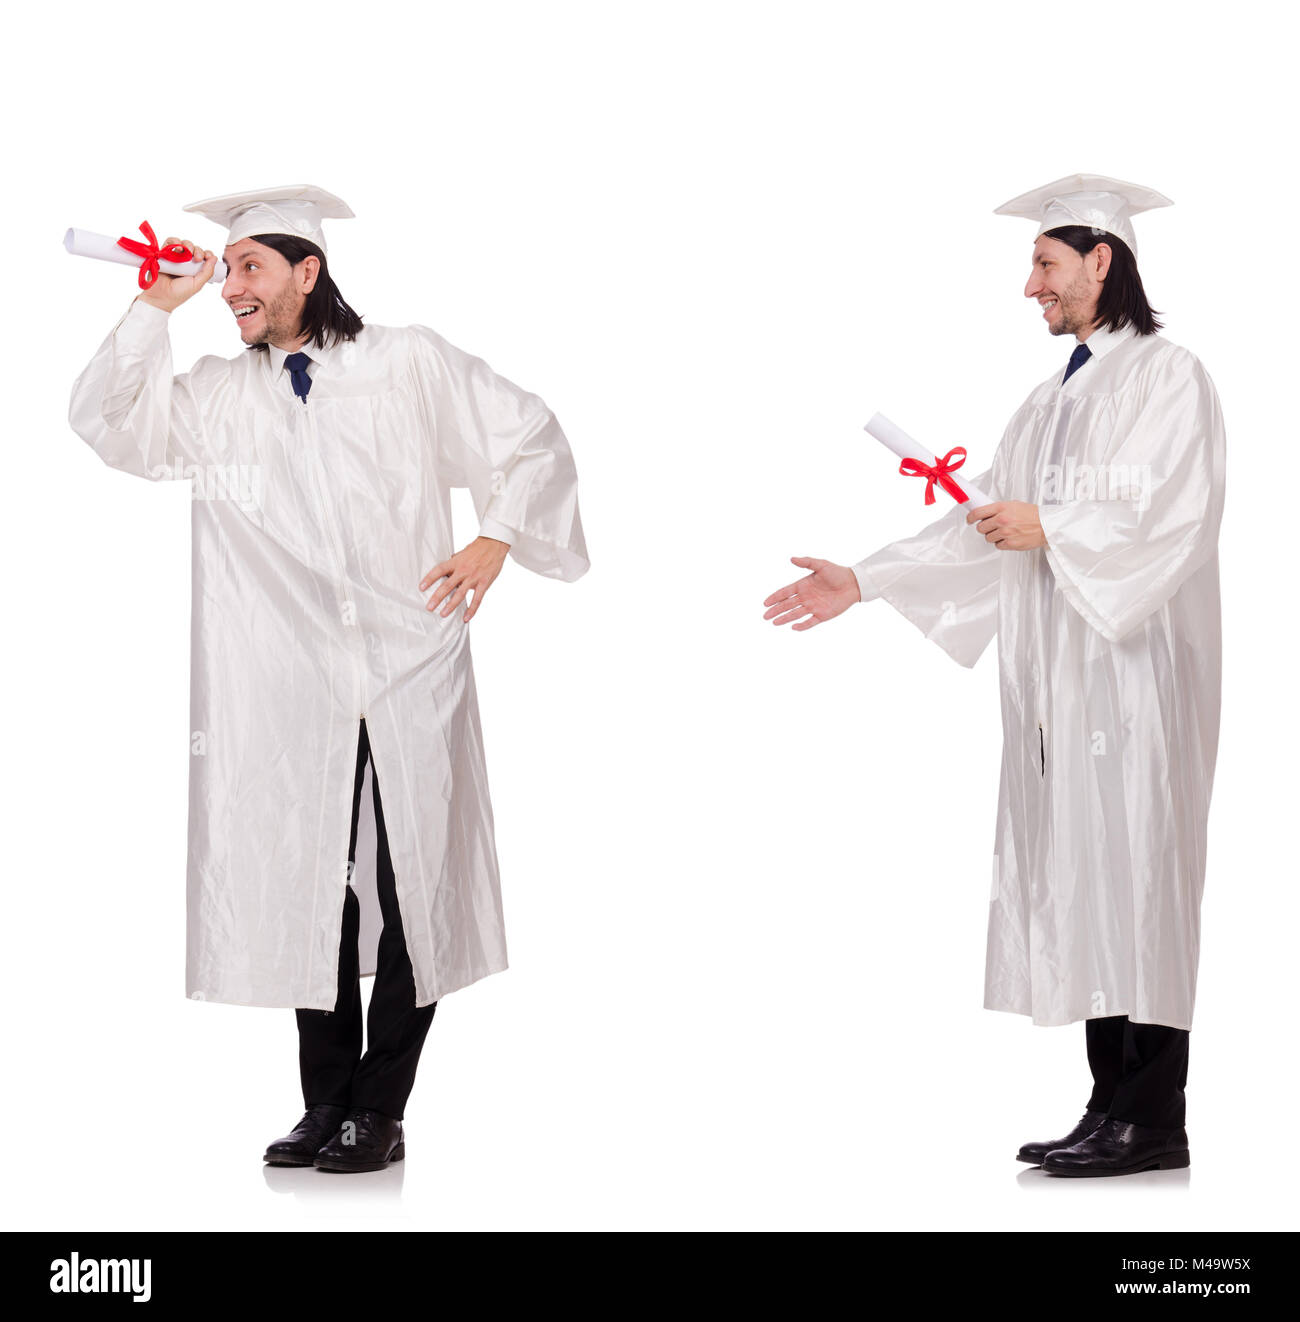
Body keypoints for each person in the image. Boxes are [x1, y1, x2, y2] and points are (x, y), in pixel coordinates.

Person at [69, 185, 589, 1173]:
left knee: (411, 881)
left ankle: (380, 1103)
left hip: (407, 658)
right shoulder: (221, 396)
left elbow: (530, 432)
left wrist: (495, 536)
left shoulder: (409, 365)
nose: (232, 288)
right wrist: (154, 308)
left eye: (248, 268)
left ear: (308, 269)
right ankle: (325, 1101)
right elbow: (110, 424)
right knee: (313, 884)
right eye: (225, 271)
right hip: (286, 674)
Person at [762, 173, 1225, 1178]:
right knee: (1096, 883)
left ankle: (1153, 1117)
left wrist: (1050, 525)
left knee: (1141, 878)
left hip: (1137, 685)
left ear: (1103, 260)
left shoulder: (1167, 379)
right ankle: (1112, 1105)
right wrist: (868, 578)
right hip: (1068, 687)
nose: (1031, 285)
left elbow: (1174, 519)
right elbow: (985, 528)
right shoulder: (1049, 396)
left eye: (1045, 263)